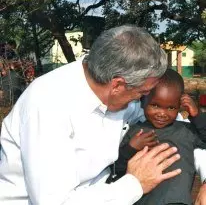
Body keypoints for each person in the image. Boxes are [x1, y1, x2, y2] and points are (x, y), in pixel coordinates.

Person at [0, 25, 205, 205]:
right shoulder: (48, 106)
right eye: (142, 94)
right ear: (117, 85)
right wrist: (135, 184)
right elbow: (54, 202)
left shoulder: (121, 97)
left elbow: (179, 129)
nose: (142, 102)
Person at [106, 69, 206, 205]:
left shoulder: (186, 131)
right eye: (155, 105)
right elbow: (115, 170)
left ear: (179, 106)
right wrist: (130, 148)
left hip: (177, 202)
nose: (162, 113)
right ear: (142, 101)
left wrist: (197, 116)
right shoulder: (135, 132)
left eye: (171, 108)